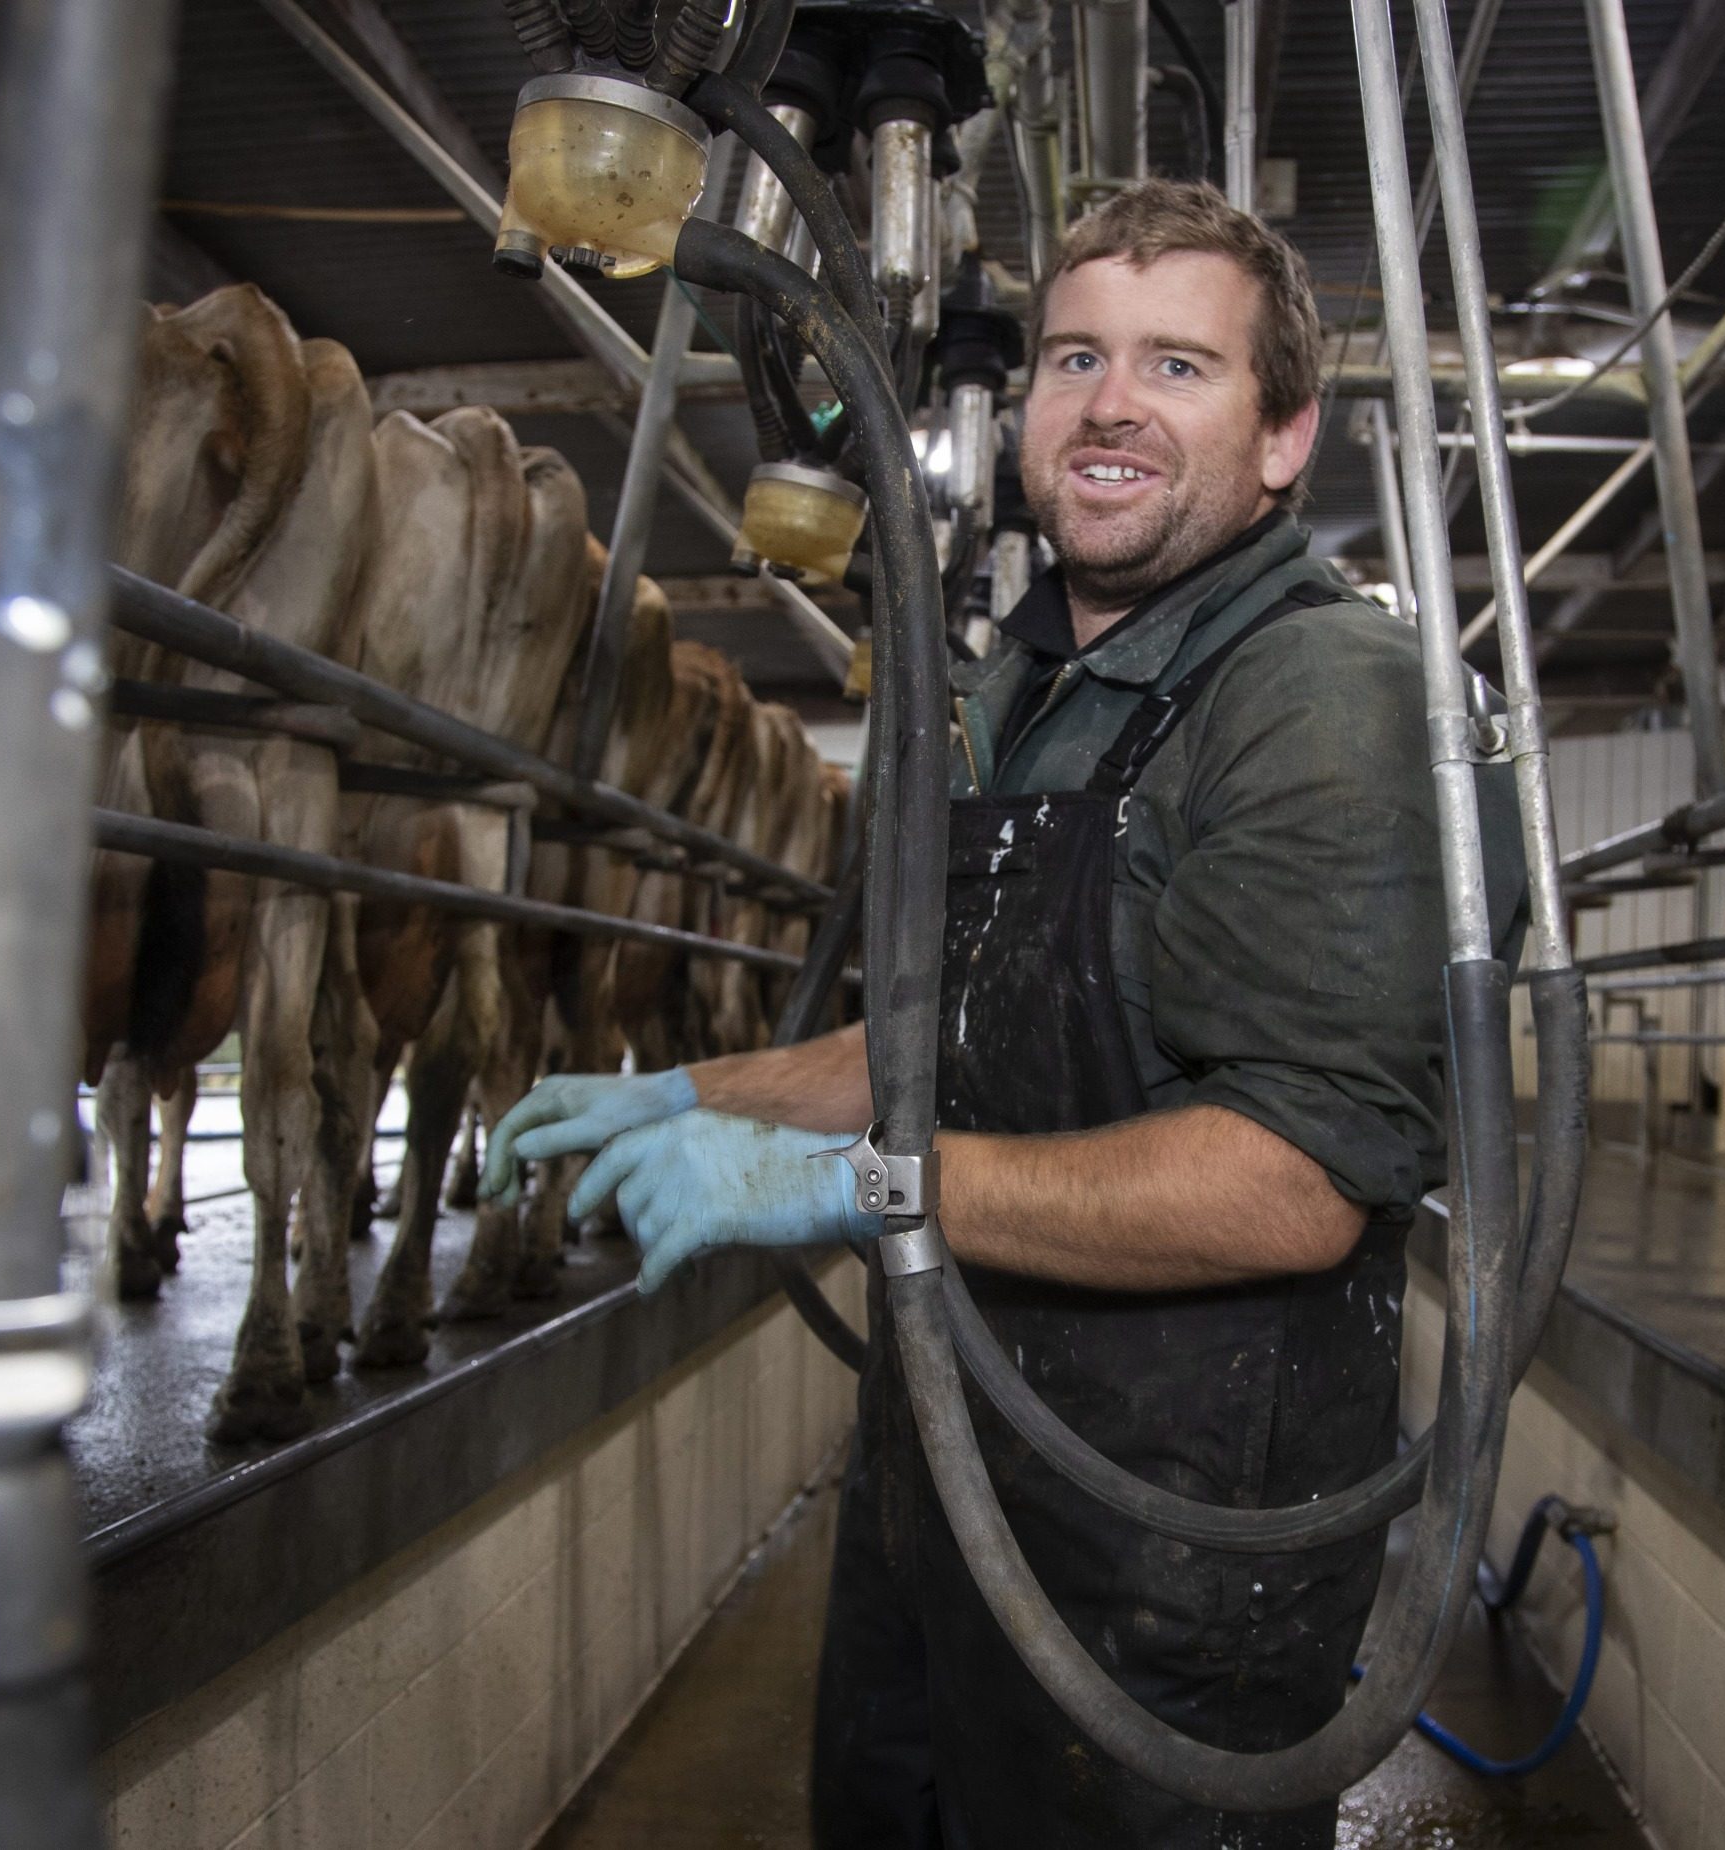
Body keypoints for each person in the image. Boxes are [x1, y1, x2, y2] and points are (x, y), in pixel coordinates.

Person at [481, 177, 1526, 1848]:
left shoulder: (1319, 702)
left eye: (1178, 366)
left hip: (1170, 1558)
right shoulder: (1022, 685)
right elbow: (944, 1030)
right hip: (954, 1481)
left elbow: (1292, 1176)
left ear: (1284, 439)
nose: (1110, 403)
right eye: (1072, 359)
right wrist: (700, 1091)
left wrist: (866, 1188)